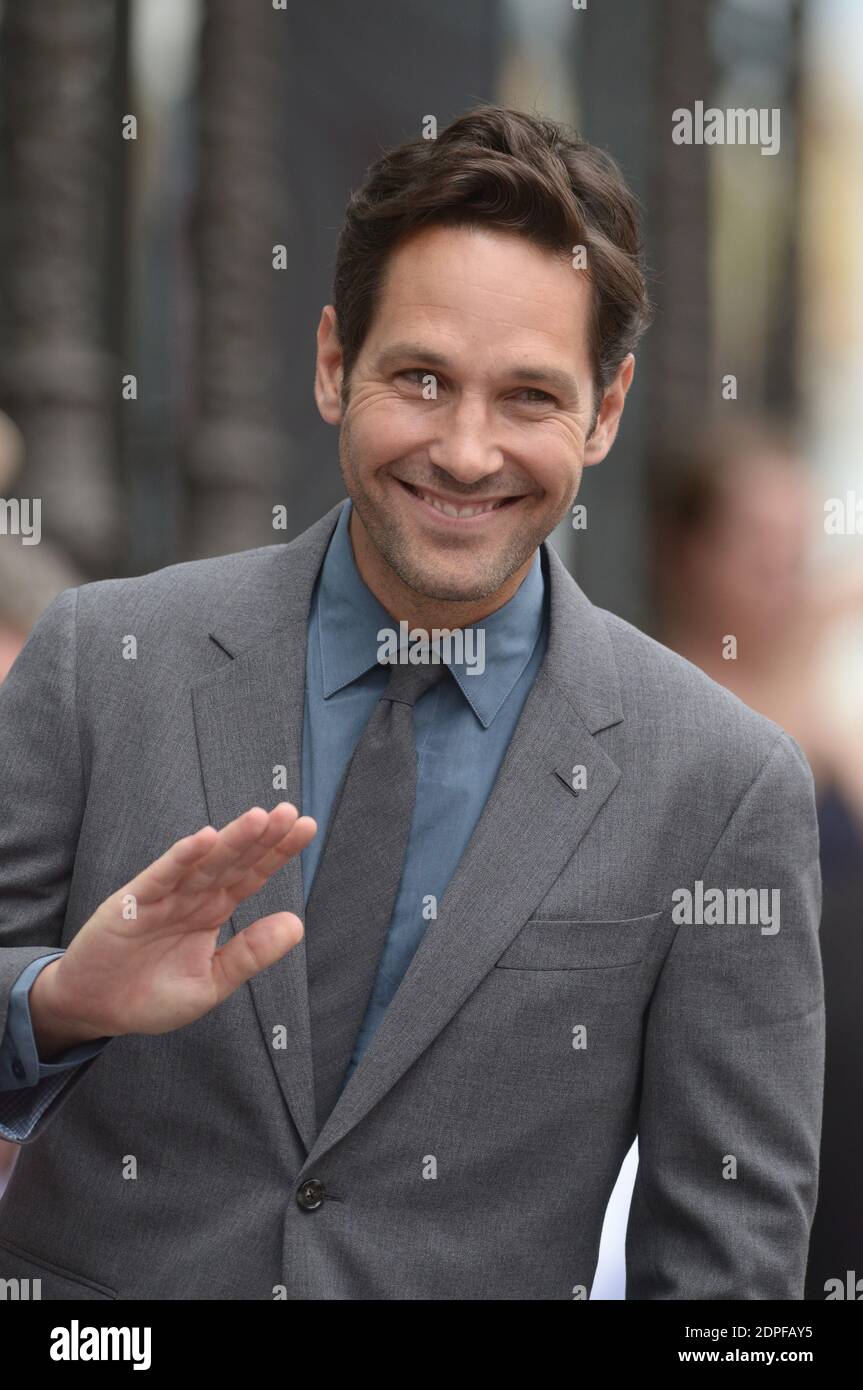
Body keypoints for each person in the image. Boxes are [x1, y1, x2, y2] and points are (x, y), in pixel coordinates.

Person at [0, 105, 824, 1301]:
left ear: (604, 410)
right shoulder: (101, 659)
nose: (466, 450)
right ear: (334, 364)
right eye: (422, 378)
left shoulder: (716, 782)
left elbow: (728, 1277)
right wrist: (57, 1004)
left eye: (530, 397)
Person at [648, 420, 863, 1299]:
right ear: (684, 553)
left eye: (796, 548)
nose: (783, 575)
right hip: (738, 1127)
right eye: (756, 546)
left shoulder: (821, 707)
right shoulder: (662, 708)